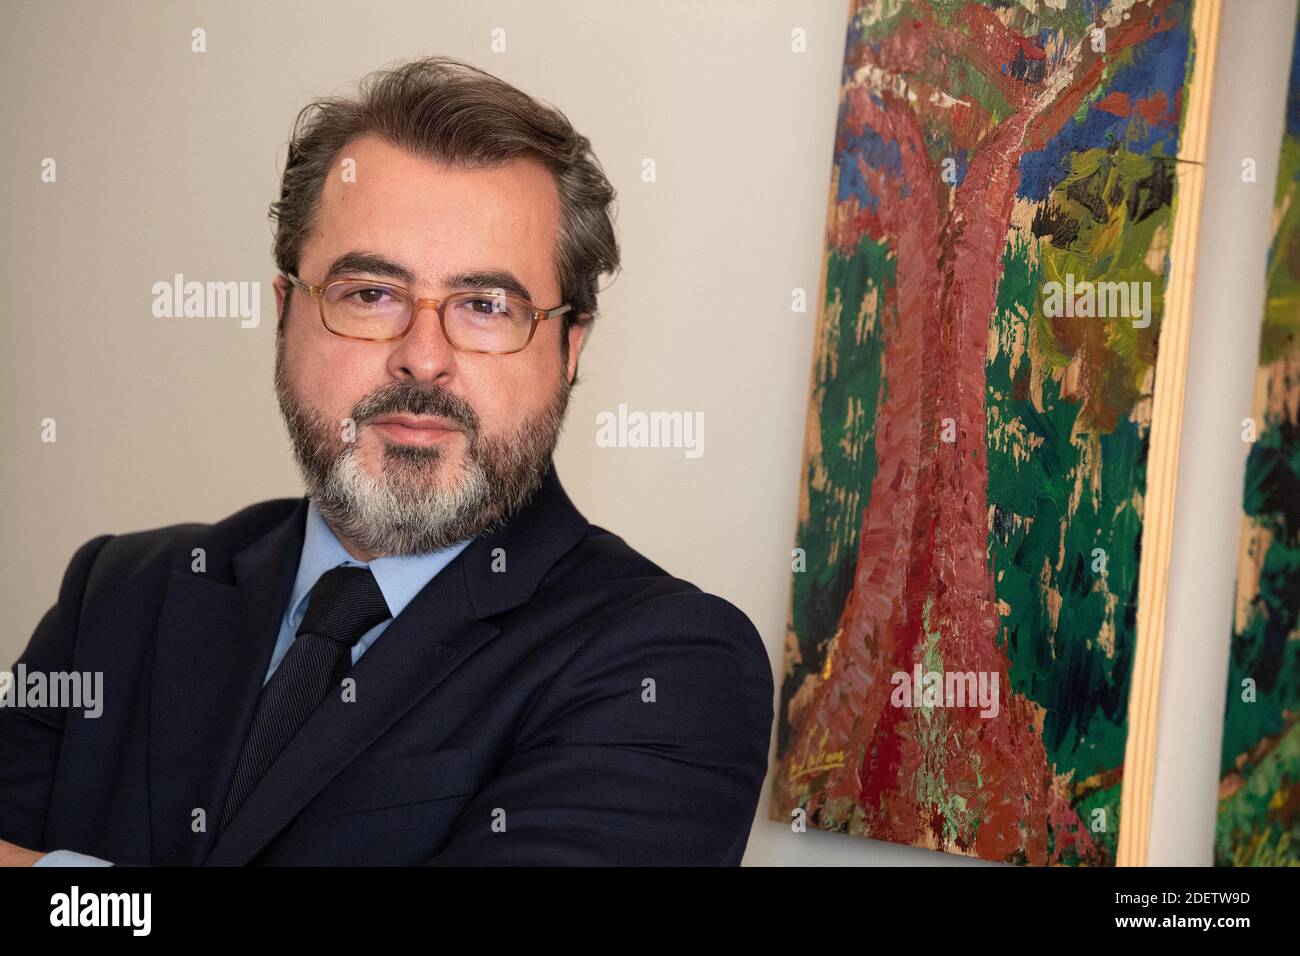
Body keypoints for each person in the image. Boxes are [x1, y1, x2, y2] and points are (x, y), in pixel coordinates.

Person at [0, 56, 773, 866]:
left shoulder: (671, 664)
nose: (423, 358)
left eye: (485, 306)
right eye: (370, 293)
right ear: (283, 314)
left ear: (569, 349)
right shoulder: (119, 594)